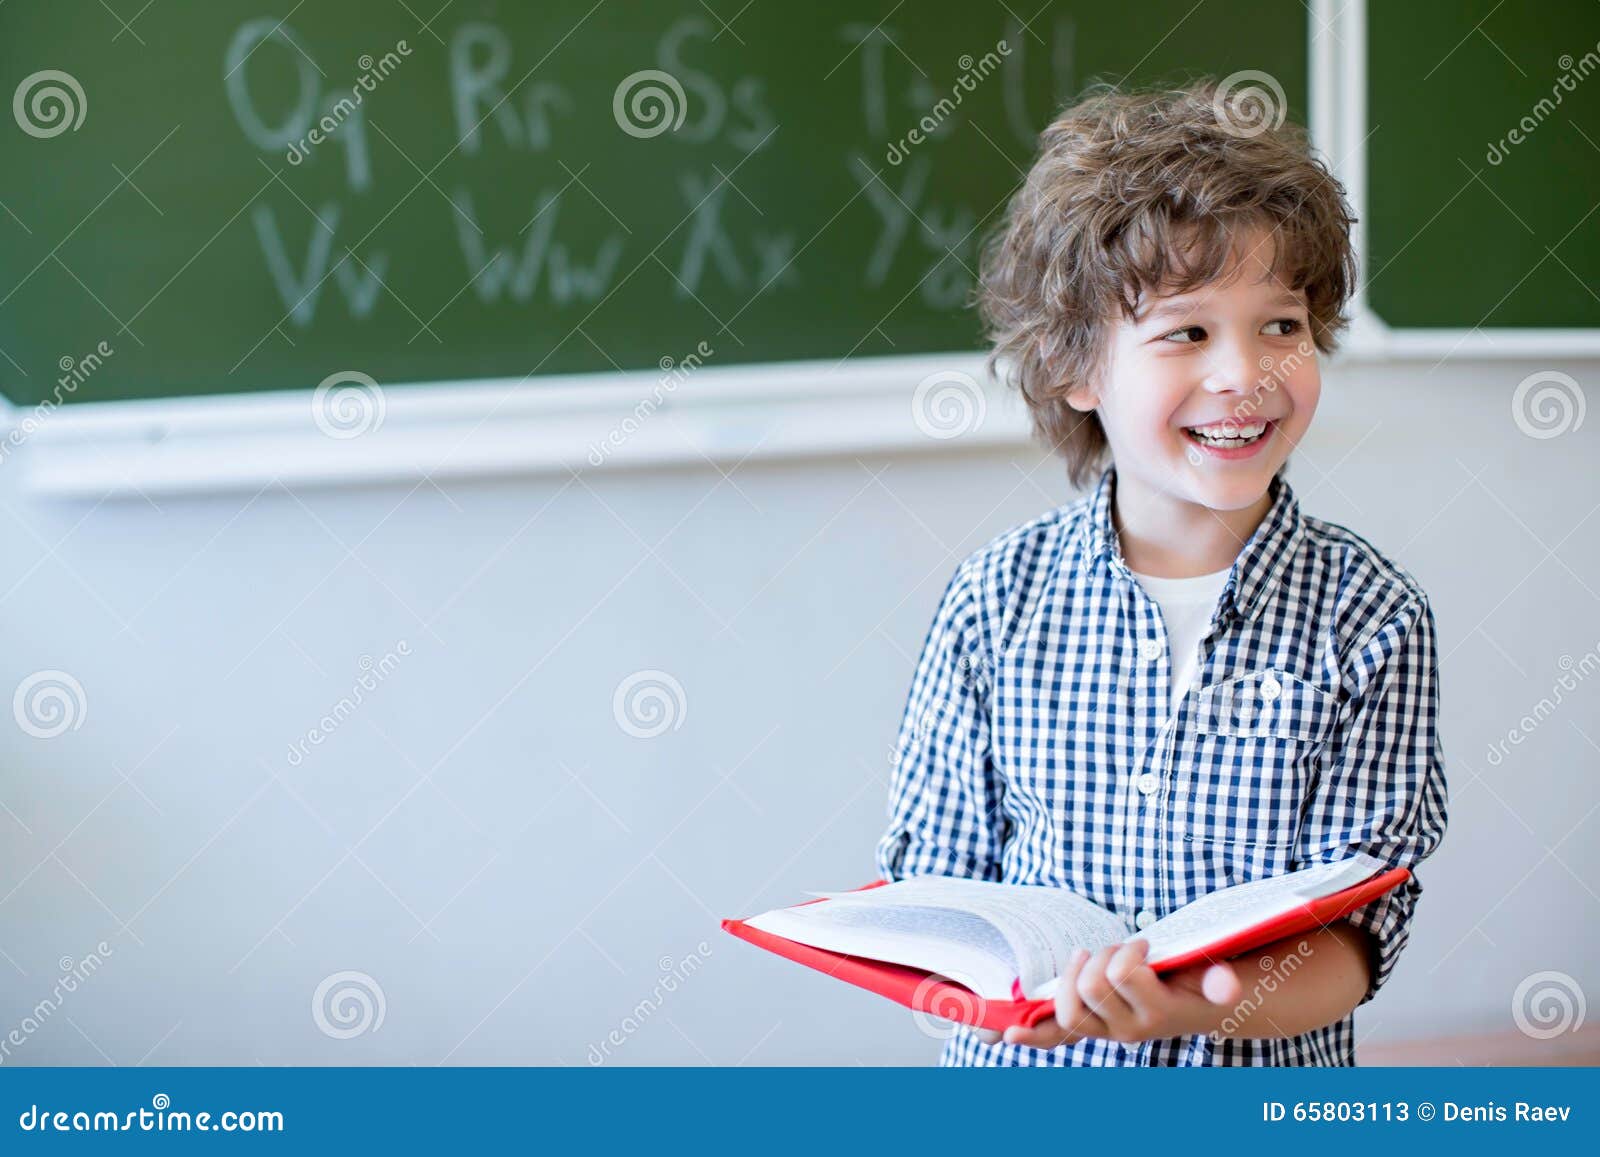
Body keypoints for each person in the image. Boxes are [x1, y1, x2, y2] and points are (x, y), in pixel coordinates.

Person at [874, 79, 1448, 1066]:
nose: (1245, 373)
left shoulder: (1372, 617)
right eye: (1186, 331)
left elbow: (1356, 936)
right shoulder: (992, 602)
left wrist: (1190, 1004)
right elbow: (937, 898)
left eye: (1280, 324)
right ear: (1075, 366)